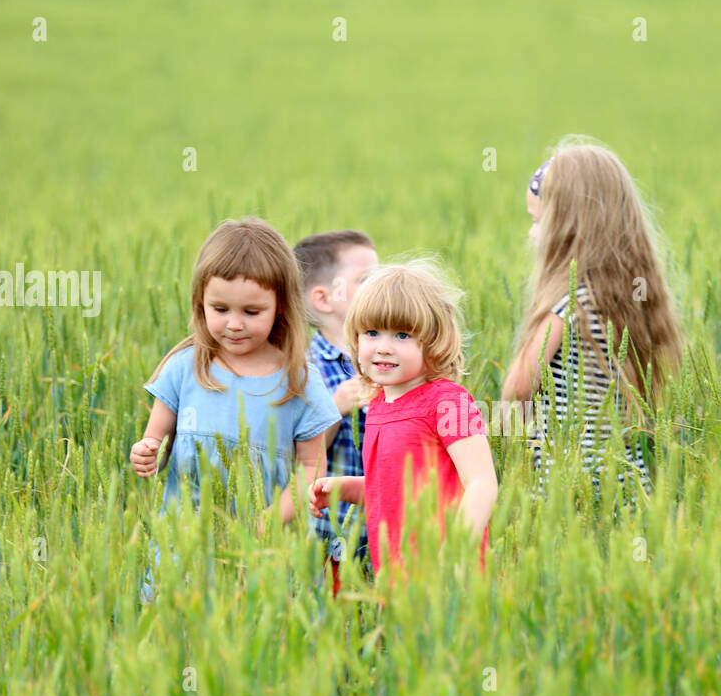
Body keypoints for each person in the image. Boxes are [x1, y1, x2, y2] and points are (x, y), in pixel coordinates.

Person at [130, 217, 340, 600]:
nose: (234, 324)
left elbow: (311, 467)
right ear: (200, 303)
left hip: (265, 549)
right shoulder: (184, 368)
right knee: (180, 633)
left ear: (280, 307)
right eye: (220, 308)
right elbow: (156, 441)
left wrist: (267, 521)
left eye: (251, 312)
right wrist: (146, 454)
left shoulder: (299, 383)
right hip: (185, 546)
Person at [500, 136, 684, 507]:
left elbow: (517, 388)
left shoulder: (568, 307)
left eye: (538, 222)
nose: (531, 234)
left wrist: (509, 445)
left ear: (568, 226)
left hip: (566, 487)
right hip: (627, 484)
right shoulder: (630, 300)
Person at [308, 259, 498, 584]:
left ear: (434, 340)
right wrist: (350, 487)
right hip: (397, 579)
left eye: (402, 335)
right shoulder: (379, 405)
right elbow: (397, 488)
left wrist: (453, 553)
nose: (383, 347)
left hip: (448, 579)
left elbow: (482, 482)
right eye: (371, 333)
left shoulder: (447, 401)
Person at [294, 229, 379, 596]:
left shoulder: (387, 353)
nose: (381, 287)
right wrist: (336, 408)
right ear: (323, 298)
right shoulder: (305, 366)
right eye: (366, 280)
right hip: (332, 531)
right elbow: (296, 450)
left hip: (386, 525)